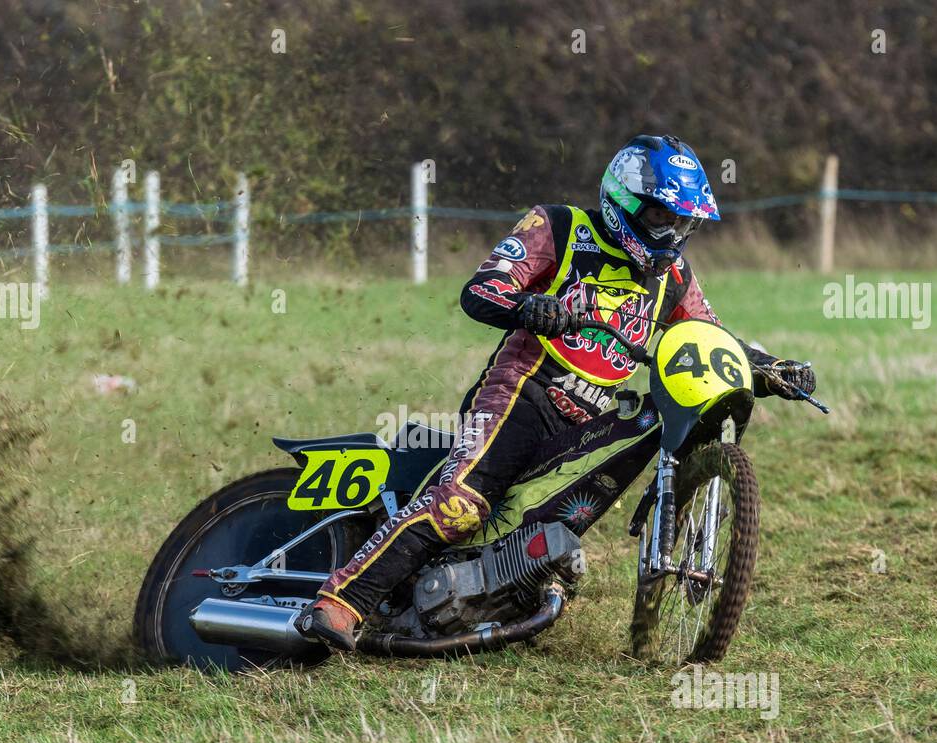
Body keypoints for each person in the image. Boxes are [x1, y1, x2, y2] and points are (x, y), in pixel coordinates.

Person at [299, 134, 816, 652]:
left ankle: (485, 596)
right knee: (460, 505)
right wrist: (528, 306)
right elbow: (482, 288)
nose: (674, 234)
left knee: (546, 530)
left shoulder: (674, 277)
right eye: (663, 218)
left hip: (583, 419)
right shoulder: (561, 227)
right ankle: (339, 602)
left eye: (685, 224)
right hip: (519, 394)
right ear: (627, 202)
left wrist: (774, 369)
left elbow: (710, 336)